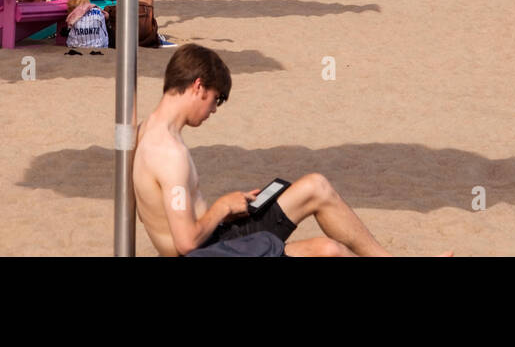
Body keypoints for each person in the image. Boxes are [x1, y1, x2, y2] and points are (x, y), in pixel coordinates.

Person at [133, 44, 394, 257]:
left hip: (218, 237)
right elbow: (186, 243)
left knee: (316, 186)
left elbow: (146, 215)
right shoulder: (169, 153)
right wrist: (222, 207)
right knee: (328, 251)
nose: (214, 109)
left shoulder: (146, 130)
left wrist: (221, 213)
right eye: (217, 99)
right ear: (198, 86)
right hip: (209, 251)